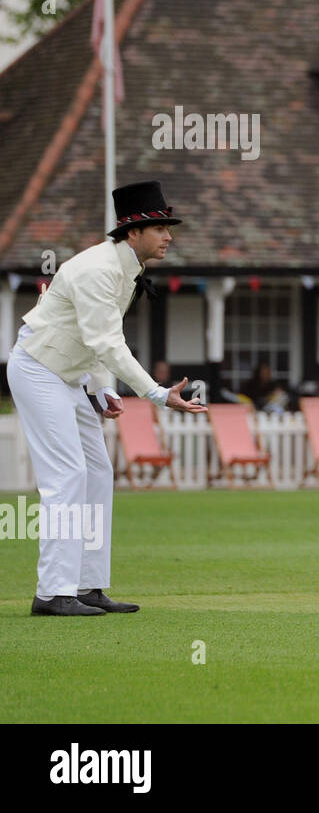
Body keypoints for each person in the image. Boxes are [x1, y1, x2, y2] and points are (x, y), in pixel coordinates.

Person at [6, 181, 207, 616]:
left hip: (71, 374)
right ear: (132, 232)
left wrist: (103, 389)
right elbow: (107, 340)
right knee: (68, 475)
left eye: (168, 227)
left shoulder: (126, 269)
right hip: (39, 369)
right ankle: (53, 592)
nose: (168, 236)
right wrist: (155, 393)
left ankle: (87, 584)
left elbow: (97, 339)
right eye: (160, 227)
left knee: (97, 472)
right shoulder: (98, 269)